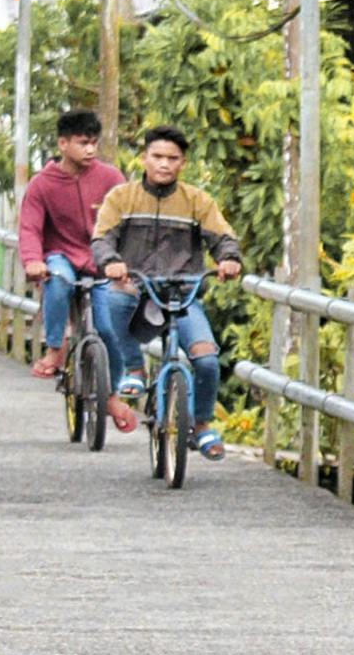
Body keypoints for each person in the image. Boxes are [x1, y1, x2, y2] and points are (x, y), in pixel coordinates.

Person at [90, 125, 243, 459]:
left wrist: (229, 259)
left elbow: (223, 236)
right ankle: (134, 368)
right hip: (136, 288)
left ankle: (201, 425)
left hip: (182, 293)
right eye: (157, 156)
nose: (164, 164)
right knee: (112, 301)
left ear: (182, 163)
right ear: (144, 158)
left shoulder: (197, 201)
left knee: (206, 360)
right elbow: (102, 238)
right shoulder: (122, 198)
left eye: (172, 159)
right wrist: (112, 262)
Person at [16, 107, 135, 430]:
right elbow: (29, 228)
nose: (90, 150)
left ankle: (111, 393)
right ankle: (56, 347)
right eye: (83, 143)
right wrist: (32, 261)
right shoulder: (42, 185)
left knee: (109, 330)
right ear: (63, 144)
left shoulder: (111, 178)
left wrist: (126, 262)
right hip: (60, 256)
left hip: (101, 264)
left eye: (94, 143)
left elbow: (128, 223)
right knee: (58, 281)